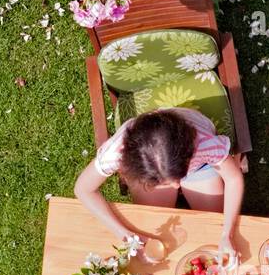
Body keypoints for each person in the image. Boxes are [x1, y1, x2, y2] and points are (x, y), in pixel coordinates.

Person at [73, 107, 245, 263]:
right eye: (163, 182)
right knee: (153, 229)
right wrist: (124, 234)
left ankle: (201, 167)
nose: (177, 186)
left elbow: (233, 178)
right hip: (159, 166)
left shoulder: (202, 143)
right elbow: (83, 189)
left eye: (179, 177)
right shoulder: (116, 153)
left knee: (211, 223)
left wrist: (226, 233)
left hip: (199, 164)